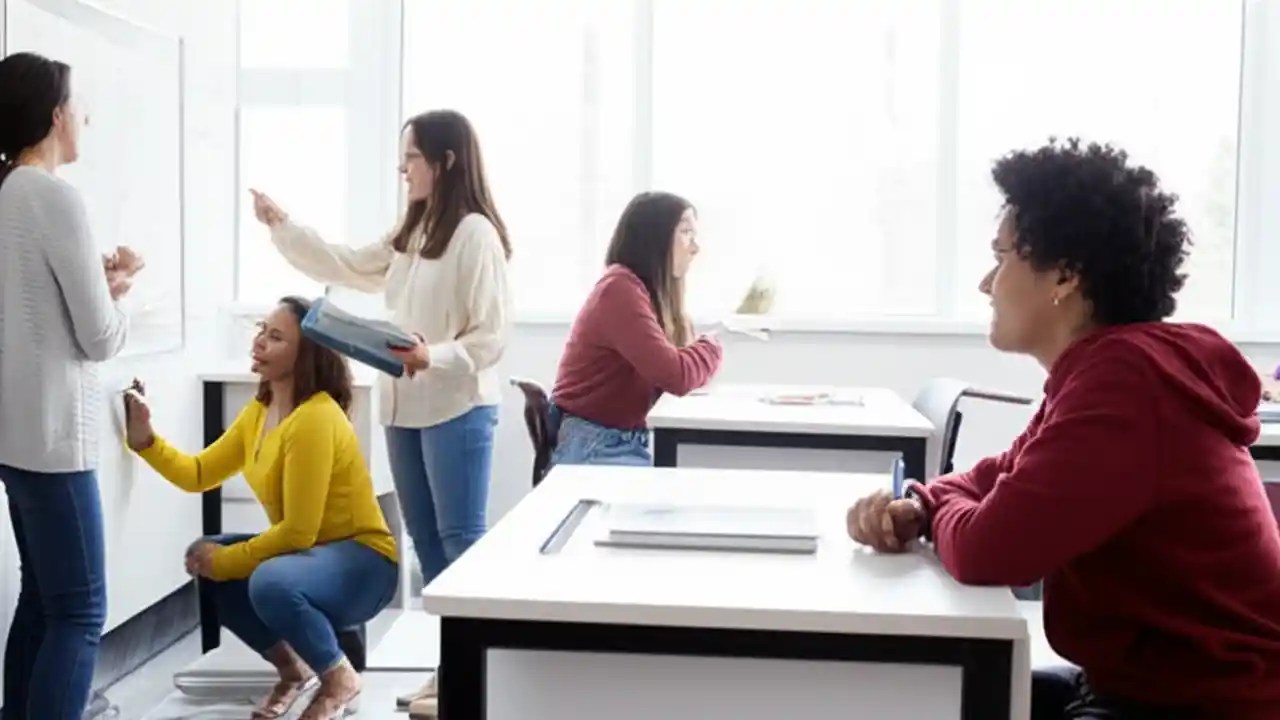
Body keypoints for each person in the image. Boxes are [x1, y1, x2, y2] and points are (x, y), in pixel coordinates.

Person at [846, 139, 1280, 719]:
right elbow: (991, 479)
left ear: (1064, 277)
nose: (985, 282)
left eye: (1001, 257)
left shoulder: (1128, 384)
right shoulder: (1107, 372)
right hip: (1142, 685)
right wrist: (924, 507)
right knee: (930, 696)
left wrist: (938, 515)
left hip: (1204, 703)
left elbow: (990, 548)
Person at [248, 109, 511, 717]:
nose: (403, 169)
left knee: (460, 545)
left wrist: (431, 354)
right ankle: (451, 670)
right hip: (404, 407)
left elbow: (491, 337)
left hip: (455, 407)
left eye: (411, 158)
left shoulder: (476, 235)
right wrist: (283, 227)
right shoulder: (413, 231)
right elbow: (346, 265)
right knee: (426, 548)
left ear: (445, 162)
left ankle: (469, 675)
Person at [123, 297, 399, 720]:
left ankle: (339, 677)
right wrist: (145, 440)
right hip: (310, 560)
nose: (259, 343)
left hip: (364, 564)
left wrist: (230, 559)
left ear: (305, 353)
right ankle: (294, 670)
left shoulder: (315, 418)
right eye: (261, 331)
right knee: (205, 555)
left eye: (275, 337)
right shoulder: (260, 411)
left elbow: (299, 532)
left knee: (264, 578)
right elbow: (198, 473)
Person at [0, 52, 144, 720]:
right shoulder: (54, 196)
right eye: (79, 104)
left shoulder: (7, 191)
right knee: (82, 611)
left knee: (42, 599)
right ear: (56, 115)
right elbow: (99, 339)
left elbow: (34, 312)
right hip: (56, 438)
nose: (85, 115)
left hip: (16, 434)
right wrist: (120, 299)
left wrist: (101, 286)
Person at [549, 192, 723, 466]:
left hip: (616, 440)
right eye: (686, 232)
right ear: (655, 237)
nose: (695, 247)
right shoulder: (619, 290)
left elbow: (679, 371)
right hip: (594, 446)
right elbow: (677, 375)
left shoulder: (640, 293)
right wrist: (711, 347)